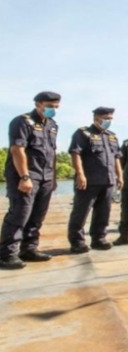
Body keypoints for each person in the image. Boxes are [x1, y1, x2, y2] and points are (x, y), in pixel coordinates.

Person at [1, 91, 61, 269]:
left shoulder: (52, 125)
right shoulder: (22, 121)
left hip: (46, 177)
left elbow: (52, 152)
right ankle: (6, 254)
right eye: (49, 107)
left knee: (37, 216)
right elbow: (17, 149)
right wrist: (24, 176)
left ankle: (29, 249)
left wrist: (54, 177)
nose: (53, 110)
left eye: (56, 107)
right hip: (27, 175)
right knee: (20, 214)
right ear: (38, 104)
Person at [67, 107, 123, 253]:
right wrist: (80, 174)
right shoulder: (83, 134)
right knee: (81, 212)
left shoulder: (112, 136)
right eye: (105, 118)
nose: (108, 121)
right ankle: (77, 242)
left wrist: (120, 176)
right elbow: (75, 153)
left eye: (110, 118)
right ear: (96, 118)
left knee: (103, 212)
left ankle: (99, 239)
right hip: (88, 181)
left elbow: (117, 157)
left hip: (108, 181)